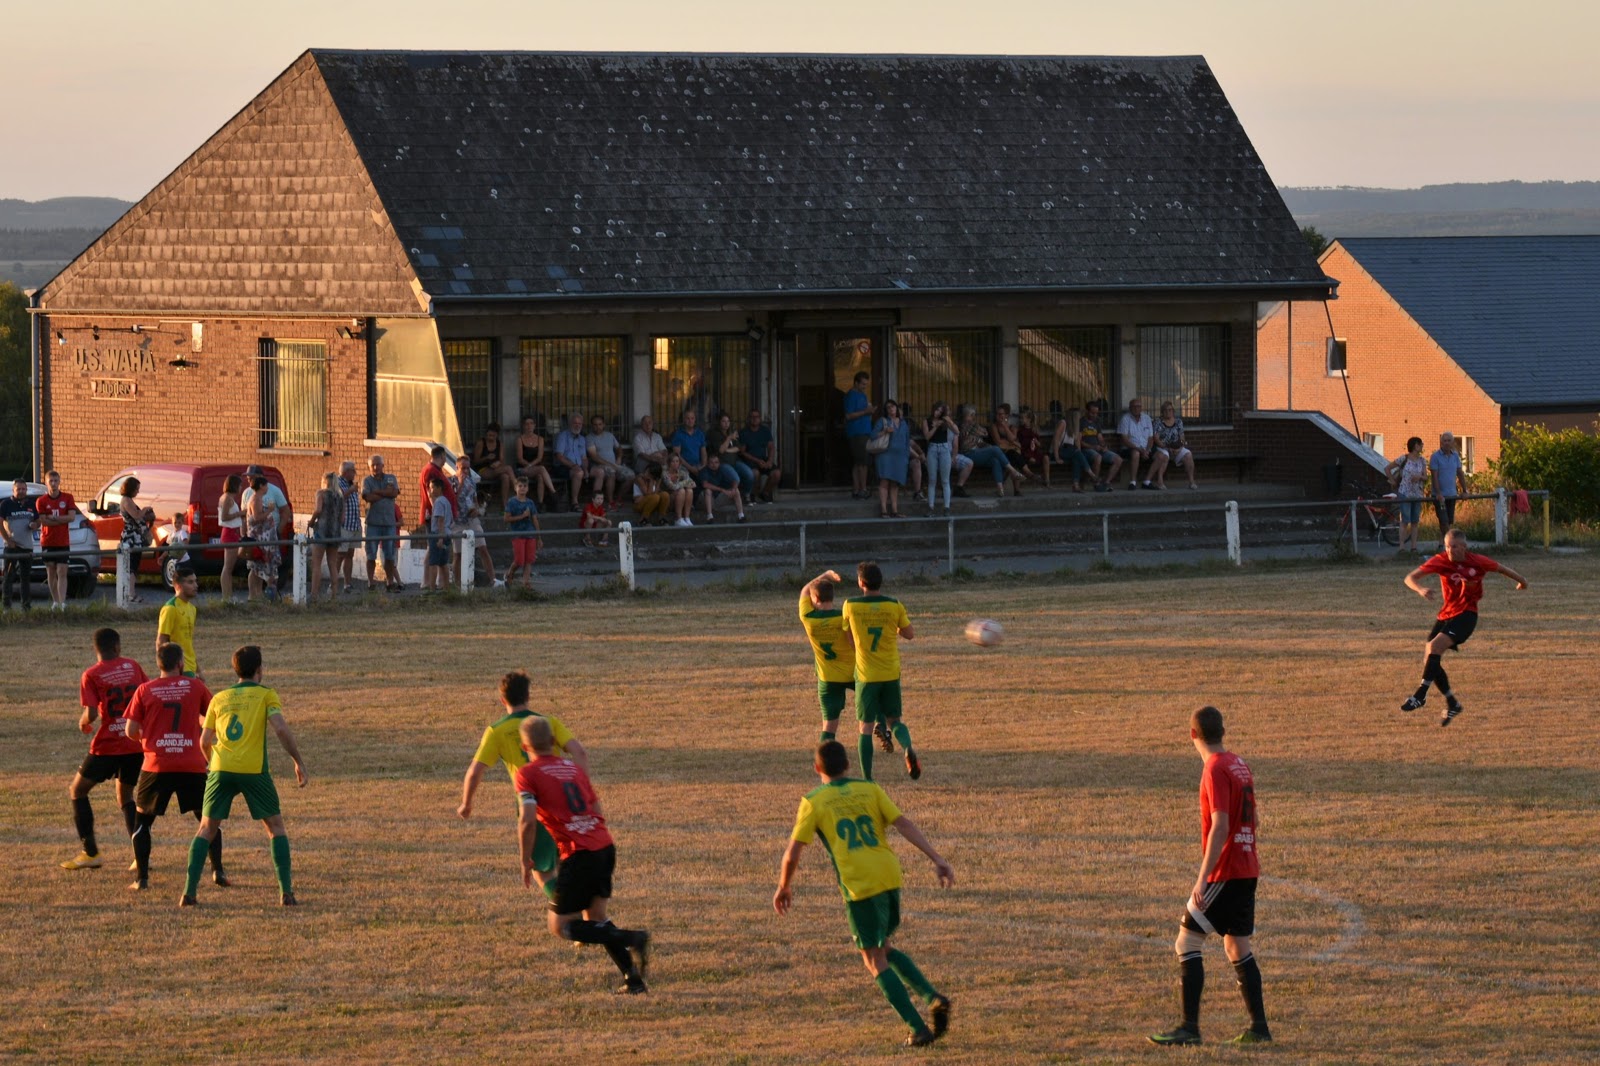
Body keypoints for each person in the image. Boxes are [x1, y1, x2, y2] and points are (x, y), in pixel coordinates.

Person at [774, 741, 954, 1048]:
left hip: (860, 885)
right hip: (889, 875)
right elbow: (903, 824)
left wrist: (784, 885)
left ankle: (918, 1026)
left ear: (817, 769)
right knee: (882, 946)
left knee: (872, 958)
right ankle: (931, 997)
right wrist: (937, 859)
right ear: (848, 765)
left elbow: (792, 854)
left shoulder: (814, 801)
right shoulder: (870, 789)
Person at [1149, 706, 1272, 1047]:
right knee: (1235, 944)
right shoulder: (1238, 763)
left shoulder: (1215, 768)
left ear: (1192, 735)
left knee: (1186, 941)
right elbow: (1254, 821)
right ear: (1223, 731)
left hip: (1226, 871)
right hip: (1247, 866)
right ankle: (1259, 1028)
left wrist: (1203, 878)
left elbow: (1220, 824)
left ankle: (1189, 1027)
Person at [514, 716, 651, 993]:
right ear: (553, 742)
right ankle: (633, 980)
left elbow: (528, 819)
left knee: (560, 925)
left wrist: (525, 858)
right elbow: (596, 807)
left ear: (523, 745)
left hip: (579, 854)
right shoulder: (573, 769)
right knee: (597, 919)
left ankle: (633, 937)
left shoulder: (527, 774)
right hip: (603, 845)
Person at [181, 644, 307, 908]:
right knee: (276, 828)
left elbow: (204, 740)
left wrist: (213, 765)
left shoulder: (219, 698)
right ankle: (286, 892)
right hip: (253, 771)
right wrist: (298, 761)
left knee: (205, 829)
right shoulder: (265, 695)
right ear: (260, 669)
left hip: (220, 768)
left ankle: (189, 893)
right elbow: (281, 730)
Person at [457, 670, 587, 896]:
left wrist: (466, 804)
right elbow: (579, 752)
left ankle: (568, 913)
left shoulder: (496, 731)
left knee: (540, 869)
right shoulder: (548, 723)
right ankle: (585, 912)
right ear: (528, 696)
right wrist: (581, 787)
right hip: (566, 798)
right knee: (567, 860)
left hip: (534, 804)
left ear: (502, 700)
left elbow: (474, 772)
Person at [123, 642, 225, 892]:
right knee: (207, 821)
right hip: (192, 764)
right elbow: (214, 717)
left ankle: (142, 879)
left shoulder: (145, 690)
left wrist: (150, 740)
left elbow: (130, 731)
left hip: (156, 764)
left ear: (159, 664)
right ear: (180, 663)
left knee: (142, 823)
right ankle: (217, 871)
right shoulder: (196, 687)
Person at [1399, 528, 1528, 726]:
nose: (1450, 551)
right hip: (1446, 614)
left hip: (1467, 615)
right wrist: (1420, 589)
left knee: (1434, 648)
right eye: (1448, 547)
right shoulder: (1441, 560)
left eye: (1454, 547)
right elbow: (1410, 578)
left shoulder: (1477, 561)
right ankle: (1452, 703)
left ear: (1464, 547)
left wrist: (1522, 581)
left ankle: (1420, 695)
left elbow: (1502, 569)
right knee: (1430, 657)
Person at [61, 628, 150, 870]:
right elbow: (148, 696)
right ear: (118, 647)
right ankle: (138, 857)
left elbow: (90, 713)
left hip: (108, 745)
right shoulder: (133, 666)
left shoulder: (91, 674)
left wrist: (84, 721)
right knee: (126, 796)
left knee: (77, 790)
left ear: (96, 649)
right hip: (134, 743)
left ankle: (91, 853)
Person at [842, 561, 920, 780]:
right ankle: (907, 747)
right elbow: (909, 634)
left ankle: (868, 778)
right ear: (881, 581)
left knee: (865, 728)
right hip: (890, 672)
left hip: (867, 675)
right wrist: (893, 624)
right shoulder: (894, 605)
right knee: (894, 721)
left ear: (860, 582)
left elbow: (849, 639)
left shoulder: (850, 605)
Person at [799, 570, 856, 743]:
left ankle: (824, 755)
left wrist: (826, 575)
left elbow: (804, 591)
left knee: (829, 725)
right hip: (853, 672)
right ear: (832, 597)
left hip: (828, 677)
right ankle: (879, 725)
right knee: (871, 707)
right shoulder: (844, 616)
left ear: (815, 600)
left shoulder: (808, 617)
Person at [451, 464, 502, 588]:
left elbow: (474, 501)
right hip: (458, 522)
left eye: (468, 468)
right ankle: (457, 585)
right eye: (463, 468)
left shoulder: (472, 483)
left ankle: (493, 580)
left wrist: (477, 510)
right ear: (457, 467)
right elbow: (453, 501)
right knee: (458, 554)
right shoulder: (451, 481)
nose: (466, 471)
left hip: (471, 519)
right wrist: (461, 483)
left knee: (483, 548)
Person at [957, 406, 1024, 499]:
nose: (974, 417)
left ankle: (1000, 490)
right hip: (969, 453)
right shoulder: (968, 424)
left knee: (995, 460)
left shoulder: (968, 425)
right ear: (970, 415)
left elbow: (981, 439)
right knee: (995, 449)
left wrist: (988, 446)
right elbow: (985, 433)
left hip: (976, 453)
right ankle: (1013, 471)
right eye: (973, 415)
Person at [37, 471, 78, 610]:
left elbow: (71, 517)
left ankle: (62, 603)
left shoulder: (67, 498)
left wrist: (54, 518)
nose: (53, 484)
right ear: (46, 483)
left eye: (56, 480)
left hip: (63, 541)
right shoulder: (41, 501)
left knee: (62, 571)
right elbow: (44, 521)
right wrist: (61, 519)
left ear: (59, 481)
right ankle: (55, 601)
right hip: (48, 541)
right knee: (51, 571)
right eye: (51, 481)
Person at [361, 454, 403, 591]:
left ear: (383, 465)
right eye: (372, 465)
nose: (375, 467)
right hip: (373, 523)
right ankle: (370, 582)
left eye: (378, 464)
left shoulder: (391, 478)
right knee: (371, 554)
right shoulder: (366, 481)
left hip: (389, 523)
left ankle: (390, 583)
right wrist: (386, 492)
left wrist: (377, 492)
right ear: (369, 467)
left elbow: (394, 493)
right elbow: (368, 497)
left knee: (389, 555)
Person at [157, 566, 202, 678]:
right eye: (190, 582)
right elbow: (161, 641)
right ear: (178, 586)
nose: (195, 585)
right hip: (178, 668)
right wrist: (167, 669)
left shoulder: (192, 608)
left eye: (195, 581)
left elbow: (187, 643)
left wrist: (198, 669)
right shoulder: (170, 609)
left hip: (190, 667)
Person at [1386, 436, 1427, 553]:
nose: (1422, 446)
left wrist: (1419, 476)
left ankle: (1414, 546)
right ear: (1415, 445)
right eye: (1420, 444)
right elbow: (1387, 468)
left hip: (1417, 493)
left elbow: (1425, 476)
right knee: (1405, 520)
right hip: (1405, 492)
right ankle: (1402, 547)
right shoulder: (1403, 459)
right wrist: (1393, 481)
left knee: (1415, 521)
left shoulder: (1422, 461)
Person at [117, 476, 156, 599]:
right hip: (131, 538)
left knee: (134, 565)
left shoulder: (129, 500)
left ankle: (131, 592)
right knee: (131, 566)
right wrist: (145, 509)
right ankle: (130, 594)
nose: (138, 492)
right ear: (131, 489)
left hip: (135, 537)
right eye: (136, 489)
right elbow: (136, 515)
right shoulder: (126, 501)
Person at [1, 476, 37, 610]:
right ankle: (6, 608)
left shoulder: (31, 504)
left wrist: (35, 524)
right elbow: (0, 524)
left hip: (27, 547)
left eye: (23, 489)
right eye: (18, 489)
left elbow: (38, 520)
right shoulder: (6, 504)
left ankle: (26, 606)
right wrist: (7, 540)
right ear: (13, 490)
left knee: (25, 578)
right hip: (12, 547)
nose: (21, 491)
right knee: (8, 578)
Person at [244, 474, 281, 602]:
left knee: (260, 568)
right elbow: (257, 517)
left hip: (266, 538)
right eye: (266, 485)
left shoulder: (259, 499)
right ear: (261, 486)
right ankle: (252, 595)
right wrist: (270, 510)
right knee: (256, 567)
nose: (267, 488)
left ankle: (259, 595)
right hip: (260, 539)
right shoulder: (256, 500)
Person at [873, 400, 912, 519]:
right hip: (885, 455)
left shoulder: (904, 423)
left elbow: (907, 441)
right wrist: (885, 431)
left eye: (893, 406)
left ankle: (895, 510)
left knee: (895, 483)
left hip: (900, 457)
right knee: (884, 481)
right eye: (888, 407)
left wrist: (906, 457)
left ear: (897, 408)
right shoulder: (883, 421)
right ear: (886, 410)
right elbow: (872, 435)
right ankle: (884, 510)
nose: (891, 409)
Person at [554, 412, 600, 512]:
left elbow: (584, 458)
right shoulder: (563, 436)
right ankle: (574, 502)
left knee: (599, 472)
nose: (578, 425)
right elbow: (559, 456)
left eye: (580, 423)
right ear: (570, 424)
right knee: (578, 473)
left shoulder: (582, 439)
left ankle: (596, 502)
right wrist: (573, 466)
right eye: (575, 423)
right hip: (563, 467)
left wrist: (586, 470)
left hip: (578, 467)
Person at [308, 471, 343, 602]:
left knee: (316, 564)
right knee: (332, 564)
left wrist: (311, 522)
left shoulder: (321, 493)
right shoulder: (340, 497)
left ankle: (314, 595)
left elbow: (318, 510)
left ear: (324, 481)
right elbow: (342, 518)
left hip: (321, 531)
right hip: (334, 532)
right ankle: (334, 595)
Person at [585, 415, 633, 506]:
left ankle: (618, 498)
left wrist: (619, 458)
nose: (598, 427)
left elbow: (619, 448)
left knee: (631, 475)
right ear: (592, 426)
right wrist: (610, 465)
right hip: (598, 466)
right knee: (611, 471)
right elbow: (594, 456)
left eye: (600, 424)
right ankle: (610, 501)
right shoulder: (589, 438)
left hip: (614, 464)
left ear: (604, 425)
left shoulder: (610, 435)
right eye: (595, 425)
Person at [504, 478, 543, 589]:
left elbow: (535, 519)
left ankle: (526, 583)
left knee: (529, 560)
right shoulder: (511, 502)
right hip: (517, 534)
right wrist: (522, 516)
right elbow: (506, 519)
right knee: (519, 560)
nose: (522, 488)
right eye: (520, 486)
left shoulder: (530, 503)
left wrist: (539, 537)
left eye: (525, 486)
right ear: (516, 488)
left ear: (528, 488)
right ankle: (510, 573)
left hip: (530, 533)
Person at [1076, 400, 1122, 492]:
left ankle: (1106, 482)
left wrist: (1104, 445)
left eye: (1096, 413)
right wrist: (1093, 447)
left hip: (1098, 448)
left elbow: (1100, 437)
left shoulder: (1097, 421)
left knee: (1118, 459)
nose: (1094, 415)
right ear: (1087, 411)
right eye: (1092, 413)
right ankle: (1096, 484)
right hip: (1086, 449)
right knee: (1098, 457)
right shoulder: (1081, 422)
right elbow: (1079, 441)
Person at [709, 412, 755, 503]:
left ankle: (746, 495)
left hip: (735, 461)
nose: (726, 423)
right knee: (736, 478)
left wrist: (727, 449)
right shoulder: (714, 434)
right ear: (719, 422)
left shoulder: (731, 432)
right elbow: (721, 450)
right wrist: (729, 438)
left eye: (728, 421)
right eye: (723, 421)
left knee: (750, 474)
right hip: (723, 462)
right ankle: (734, 498)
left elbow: (738, 448)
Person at [1151, 401, 1198, 490]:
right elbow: (1156, 439)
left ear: (1173, 411)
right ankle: (1160, 481)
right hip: (1163, 447)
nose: (1168, 412)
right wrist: (1167, 448)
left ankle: (1192, 481)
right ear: (1162, 412)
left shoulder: (1178, 421)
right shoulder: (1158, 422)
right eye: (1165, 410)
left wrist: (1180, 447)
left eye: (1170, 410)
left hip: (1177, 447)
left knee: (1188, 454)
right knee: (1165, 455)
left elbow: (1182, 438)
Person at [844, 371, 876, 499]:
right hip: (857, 433)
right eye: (863, 384)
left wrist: (870, 411)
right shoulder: (851, 396)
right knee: (861, 463)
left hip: (865, 431)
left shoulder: (863, 395)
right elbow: (848, 415)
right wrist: (865, 412)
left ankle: (857, 490)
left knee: (860, 462)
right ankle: (862, 489)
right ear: (856, 383)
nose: (864, 386)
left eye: (866, 384)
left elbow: (865, 411)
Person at [1429, 431, 1469, 534]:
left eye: (1449, 440)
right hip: (1440, 496)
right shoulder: (1435, 457)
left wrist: (1464, 490)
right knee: (1444, 520)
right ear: (1441, 442)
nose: (1446, 443)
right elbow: (1434, 476)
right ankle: (1449, 543)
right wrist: (1438, 493)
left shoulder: (1455, 456)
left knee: (1449, 520)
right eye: (1444, 441)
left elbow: (1460, 473)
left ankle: (1442, 542)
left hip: (1451, 494)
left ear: (1452, 442)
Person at [738, 408, 781, 503]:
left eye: (757, 417)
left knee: (776, 473)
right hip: (750, 461)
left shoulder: (765, 431)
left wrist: (769, 461)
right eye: (752, 417)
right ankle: (752, 494)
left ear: (760, 418)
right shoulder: (744, 432)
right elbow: (742, 452)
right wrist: (757, 461)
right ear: (749, 418)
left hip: (763, 459)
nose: (754, 419)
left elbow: (771, 447)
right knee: (755, 474)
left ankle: (765, 493)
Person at [512, 417, 557, 506]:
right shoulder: (519, 439)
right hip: (523, 468)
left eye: (531, 423)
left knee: (540, 476)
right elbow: (520, 458)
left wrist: (531, 466)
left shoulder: (540, 439)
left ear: (534, 426)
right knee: (541, 469)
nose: (529, 426)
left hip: (535, 467)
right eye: (527, 424)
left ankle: (540, 503)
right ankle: (553, 492)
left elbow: (539, 458)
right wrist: (529, 466)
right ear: (523, 426)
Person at [922, 404, 958, 514]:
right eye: (937, 409)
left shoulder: (945, 422)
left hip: (944, 448)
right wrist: (935, 426)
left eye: (940, 411)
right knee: (932, 480)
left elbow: (957, 432)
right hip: (932, 448)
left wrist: (949, 421)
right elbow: (927, 437)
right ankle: (930, 507)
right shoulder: (926, 421)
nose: (937, 412)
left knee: (945, 480)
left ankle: (946, 507)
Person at [1049, 407, 1094, 492]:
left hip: (1069, 451)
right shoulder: (1063, 423)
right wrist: (1057, 457)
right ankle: (1090, 473)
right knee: (1076, 453)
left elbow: (1077, 445)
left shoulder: (1076, 428)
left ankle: (1076, 485)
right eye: (1078, 417)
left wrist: (1081, 457)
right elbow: (1056, 440)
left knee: (1077, 458)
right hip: (1057, 451)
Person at [471, 422, 516, 506]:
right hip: (482, 469)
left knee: (505, 477)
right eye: (488, 435)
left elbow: (502, 460)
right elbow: (475, 461)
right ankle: (517, 487)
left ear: (497, 435)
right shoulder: (481, 443)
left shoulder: (500, 444)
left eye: (493, 436)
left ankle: (505, 505)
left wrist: (498, 463)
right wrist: (486, 458)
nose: (490, 438)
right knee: (508, 468)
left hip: (496, 469)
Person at [1118, 399, 1157, 489]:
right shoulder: (1125, 419)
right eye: (1134, 406)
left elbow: (1151, 438)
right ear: (1130, 408)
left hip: (1146, 448)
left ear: (1141, 408)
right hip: (1129, 448)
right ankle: (1133, 482)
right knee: (1136, 453)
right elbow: (1124, 439)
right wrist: (1139, 449)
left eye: (1138, 406)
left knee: (1162, 455)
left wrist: (1147, 450)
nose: (1136, 408)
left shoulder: (1147, 418)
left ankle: (1147, 481)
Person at [216, 474, 244, 602]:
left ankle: (228, 595)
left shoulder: (226, 497)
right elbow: (225, 517)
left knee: (228, 567)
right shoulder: (227, 498)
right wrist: (240, 513)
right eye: (239, 485)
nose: (241, 488)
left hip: (232, 532)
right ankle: (227, 597)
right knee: (228, 567)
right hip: (230, 532)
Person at [336, 460, 362, 593]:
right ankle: (333, 584)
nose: (355, 473)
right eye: (353, 470)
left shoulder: (351, 484)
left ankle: (347, 584)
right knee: (340, 554)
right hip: (344, 525)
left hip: (354, 524)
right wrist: (351, 491)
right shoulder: (338, 483)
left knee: (350, 555)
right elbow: (338, 498)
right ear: (346, 472)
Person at [423, 476, 453, 592]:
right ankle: (447, 588)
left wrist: (439, 538)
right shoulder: (446, 501)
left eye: (432, 487)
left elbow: (440, 520)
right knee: (443, 563)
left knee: (433, 562)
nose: (430, 490)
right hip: (447, 533)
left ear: (439, 488)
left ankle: (432, 589)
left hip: (438, 535)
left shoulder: (439, 502)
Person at [699, 453, 747, 523]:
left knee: (736, 490)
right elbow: (705, 484)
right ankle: (709, 517)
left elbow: (736, 480)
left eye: (716, 462)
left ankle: (741, 516)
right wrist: (722, 490)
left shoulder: (724, 469)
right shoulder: (704, 471)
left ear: (719, 463)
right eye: (711, 463)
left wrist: (733, 489)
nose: (714, 465)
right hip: (705, 500)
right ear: (707, 463)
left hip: (719, 499)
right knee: (708, 490)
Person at [418, 446, 458, 527]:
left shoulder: (435, 470)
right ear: (442, 456)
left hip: (441, 515)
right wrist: (439, 514)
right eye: (445, 456)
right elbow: (432, 494)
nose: (445, 460)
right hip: (438, 518)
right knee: (438, 538)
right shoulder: (431, 471)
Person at [669, 408, 708, 484]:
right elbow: (677, 456)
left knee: (707, 482)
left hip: (699, 466)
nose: (690, 421)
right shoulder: (678, 434)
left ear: (695, 419)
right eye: (687, 418)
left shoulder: (700, 434)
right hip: (684, 467)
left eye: (692, 418)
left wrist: (702, 466)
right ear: (684, 420)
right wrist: (691, 469)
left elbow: (704, 453)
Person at [1016, 407, 1051, 486]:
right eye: (1020, 418)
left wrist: (1037, 442)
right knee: (1031, 460)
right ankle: (1035, 478)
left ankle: (1047, 480)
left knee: (1046, 458)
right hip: (1025, 452)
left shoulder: (1034, 429)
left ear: (1028, 419)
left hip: (1034, 452)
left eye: (1022, 418)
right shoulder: (1020, 430)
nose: (1020, 420)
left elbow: (1039, 444)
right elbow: (1019, 443)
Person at [661, 453, 697, 527]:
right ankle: (678, 519)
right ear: (669, 463)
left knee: (689, 491)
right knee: (682, 491)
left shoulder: (682, 471)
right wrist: (685, 483)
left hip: (680, 499)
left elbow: (693, 484)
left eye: (677, 461)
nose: (675, 463)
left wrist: (682, 483)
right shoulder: (665, 473)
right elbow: (672, 487)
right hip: (669, 499)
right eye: (673, 461)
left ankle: (687, 518)